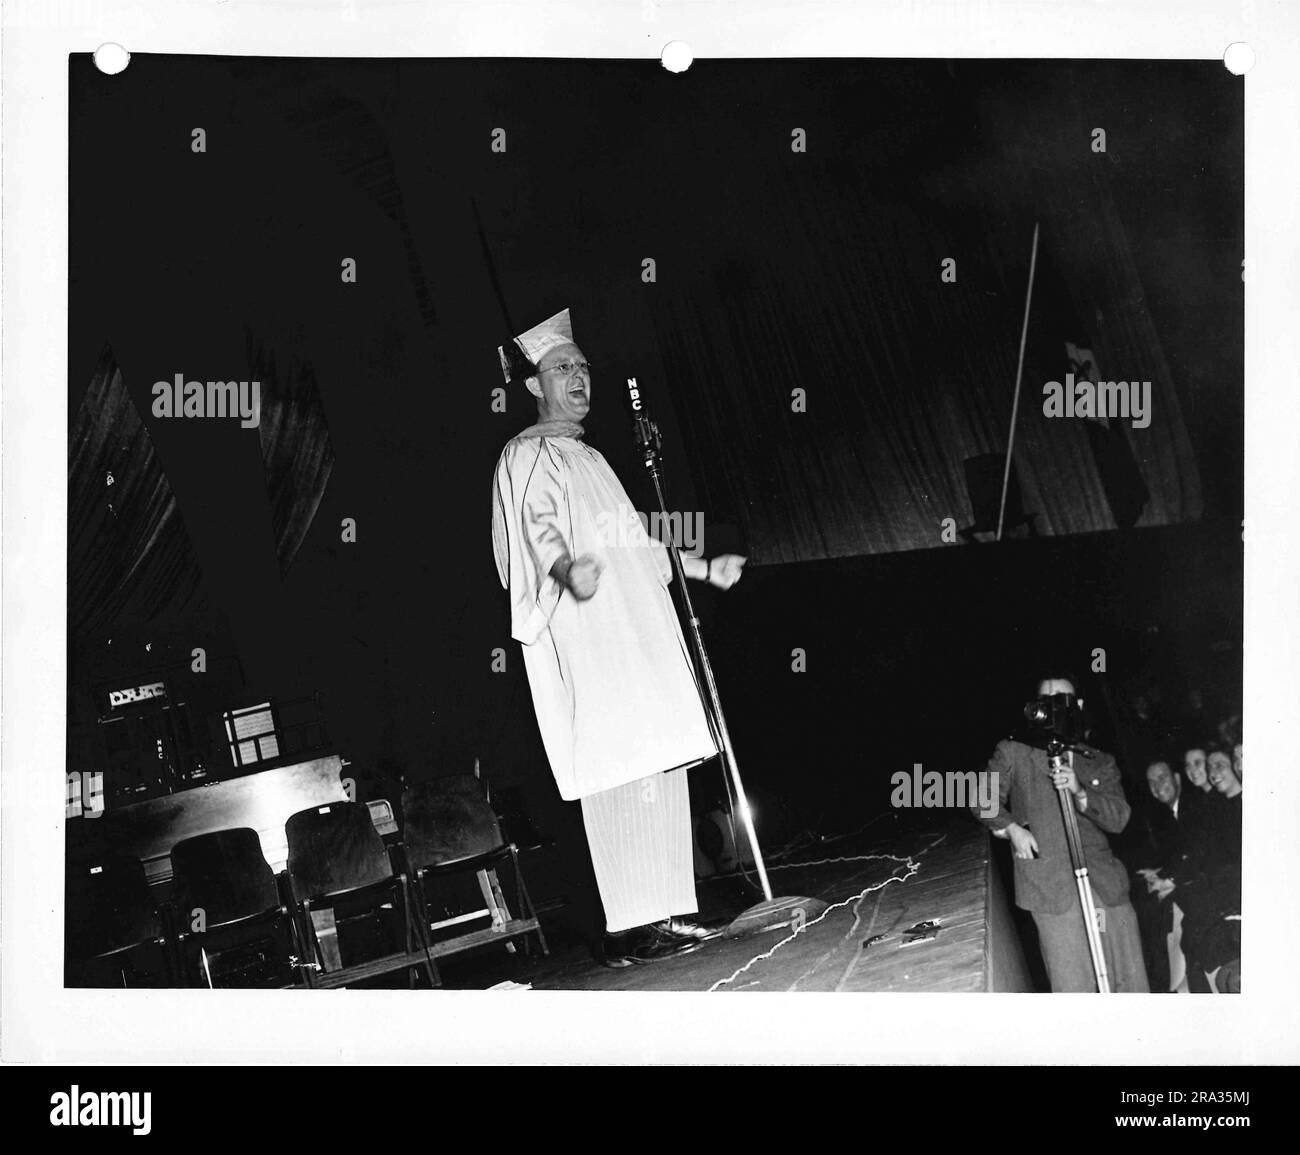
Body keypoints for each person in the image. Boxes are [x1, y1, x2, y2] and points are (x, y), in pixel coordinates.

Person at [490, 307, 748, 967]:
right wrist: (562, 567)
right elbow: (535, 522)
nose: (578, 377)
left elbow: (635, 537)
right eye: (561, 368)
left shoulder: (592, 457)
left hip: (637, 632)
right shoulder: (527, 454)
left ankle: (667, 911)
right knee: (616, 767)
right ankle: (633, 926)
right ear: (532, 387)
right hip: (594, 637)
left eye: (582, 366)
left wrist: (700, 567)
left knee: (657, 757)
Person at [972, 673, 1148, 992]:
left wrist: (1081, 793)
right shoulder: (1015, 752)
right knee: (1074, 989)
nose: (1055, 710)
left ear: (1077, 706)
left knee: (1130, 984)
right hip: (1052, 892)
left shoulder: (1097, 760)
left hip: (1104, 889)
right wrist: (1011, 829)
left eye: (1062, 701)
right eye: (1047, 701)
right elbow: (981, 798)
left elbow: (1119, 818)